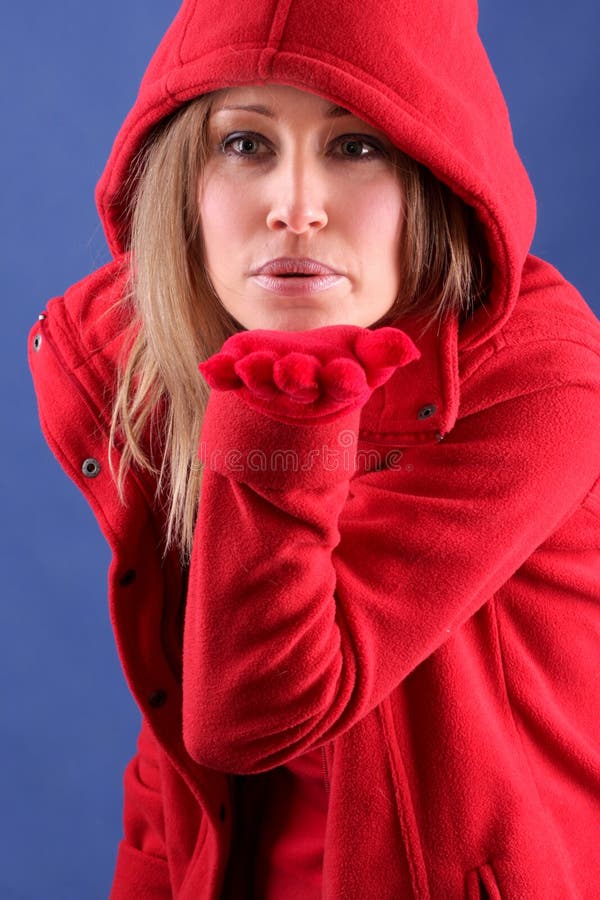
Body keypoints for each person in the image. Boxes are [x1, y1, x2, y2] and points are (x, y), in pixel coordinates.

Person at [28, 0, 600, 897]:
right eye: (245, 144)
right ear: (183, 179)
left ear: (439, 174)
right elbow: (175, 743)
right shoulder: (158, 367)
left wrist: (289, 402)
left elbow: (263, 710)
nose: (296, 209)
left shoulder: (539, 384)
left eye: (357, 146)